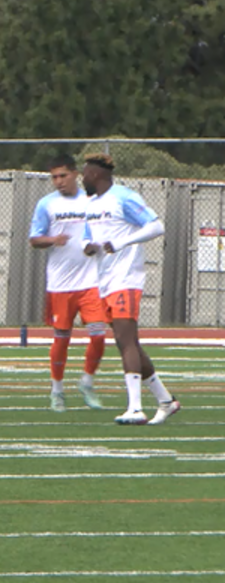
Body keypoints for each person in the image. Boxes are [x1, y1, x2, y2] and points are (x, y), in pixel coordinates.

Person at [81, 153, 180, 425]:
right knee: (129, 343)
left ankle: (135, 407)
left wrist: (124, 242)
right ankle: (166, 401)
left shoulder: (124, 197)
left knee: (126, 341)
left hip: (126, 279)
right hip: (106, 281)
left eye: (86, 174)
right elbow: (87, 239)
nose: (83, 178)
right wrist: (87, 248)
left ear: (98, 174)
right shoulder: (91, 205)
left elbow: (156, 226)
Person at [29, 154, 107, 412]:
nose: (58, 182)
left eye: (63, 176)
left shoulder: (91, 201)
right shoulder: (46, 205)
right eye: (54, 177)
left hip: (90, 281)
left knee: (98, 335)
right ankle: (57, 391)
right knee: (61, 338)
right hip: (60, 284)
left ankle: (87, 381)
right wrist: (53, 240)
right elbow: (34, 239)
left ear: (75, 174)